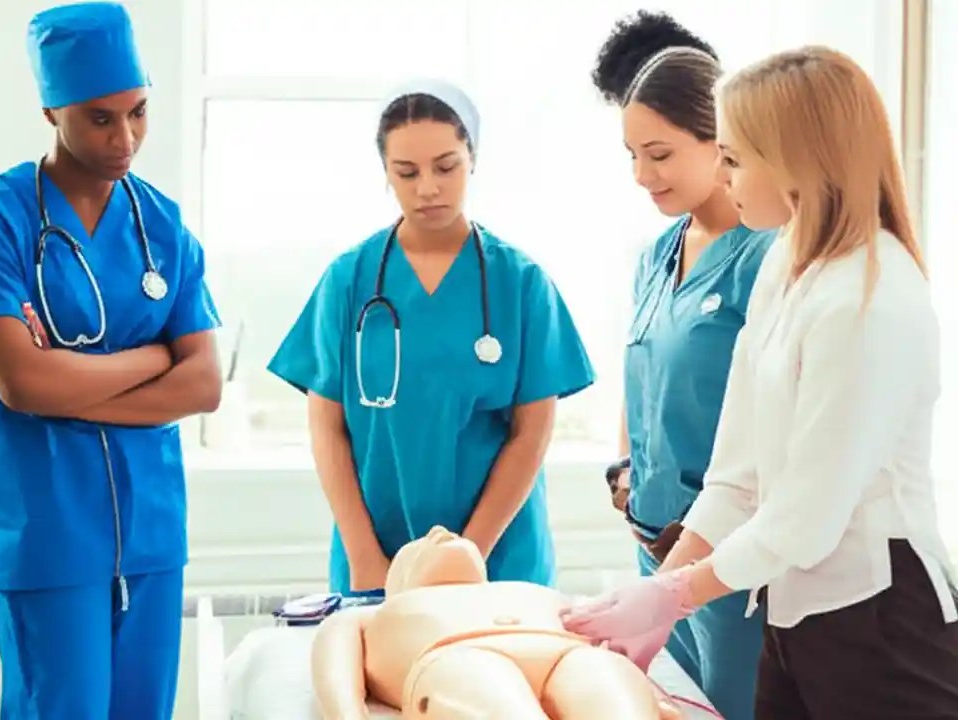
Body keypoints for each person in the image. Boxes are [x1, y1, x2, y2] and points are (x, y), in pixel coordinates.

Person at [562, 46, 958, 719]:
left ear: (798, 159)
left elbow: (808, 516)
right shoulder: (788, 266)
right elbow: (737, 477)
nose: (721, 172)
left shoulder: (871, 296)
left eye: (736, 156)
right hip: (793, 612)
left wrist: (676, 593)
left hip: (883, 618)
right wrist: (661, 593)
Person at [0, 2, 222, 718]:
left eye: (138, 113)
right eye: (100, 117)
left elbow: (206, 382)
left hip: (152, 533)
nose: (125, 137)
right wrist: (152, 357)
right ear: (50, 109)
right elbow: (23, 382)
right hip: (47, 533)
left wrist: (68, 386)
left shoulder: (161, 223)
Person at [268, 79, 595, 599]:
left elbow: (529, 434)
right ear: (386, 174)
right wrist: (364, 556)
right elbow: (328, 428)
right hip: (377, 555)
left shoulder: (520, 282)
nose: (427, 188)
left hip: (498, 557)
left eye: (446, 167)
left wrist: (469, 556)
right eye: (406, 172)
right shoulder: (349, 280)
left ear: (473, 160)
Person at [589, 12, 775, 719]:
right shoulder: (656, 255)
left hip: (728, 558)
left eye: (660, 154)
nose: (642, 175)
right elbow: (643, 372)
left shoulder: (769, 255)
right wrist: (624, 469)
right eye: (632, 155)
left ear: (717, 140)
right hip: (653, 546)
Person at [313, 525, 681, 720]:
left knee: (602, 675)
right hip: (457, 656)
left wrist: (650, 699)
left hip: (569, 656)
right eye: (421, 545)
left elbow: (614, 650)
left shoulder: (536, 592)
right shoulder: (371, 616)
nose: (439, 529)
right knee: (485, 688)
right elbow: (334, 670)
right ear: (398, 585)